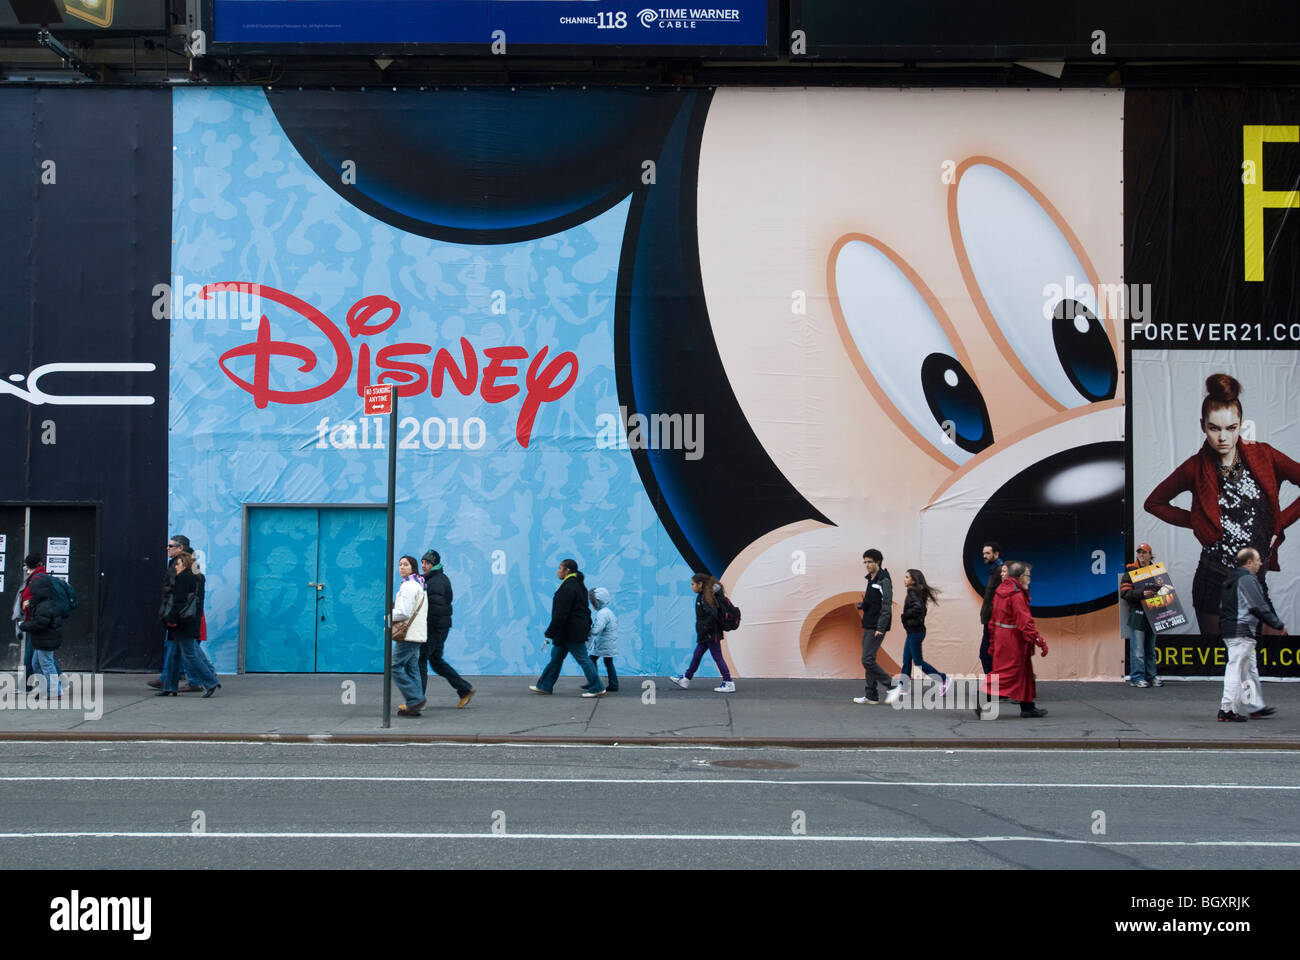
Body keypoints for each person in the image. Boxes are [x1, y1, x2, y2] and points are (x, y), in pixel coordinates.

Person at [1145, 373, 1300, 636]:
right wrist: (1196, 519)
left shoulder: (1265, 456)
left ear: (1241, 425)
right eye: (1214, 428)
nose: (1222, 437)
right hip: (1213, 578)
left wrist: (1280, 522)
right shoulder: (1195, 467)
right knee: (1219, 659)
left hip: (1253, 578)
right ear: (1202, 426)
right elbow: (1154, 503)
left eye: (1231, 428)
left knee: (1274, 644)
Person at [1216, 547, 1285, 722]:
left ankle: (1255, 706)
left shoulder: (1231, 579)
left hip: (1232, 630)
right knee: (1237, 669)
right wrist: (1277, 624)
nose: (1260, 563)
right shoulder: (1247, 579)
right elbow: (1258, 606)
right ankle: (1227, 709)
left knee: (1248, 671)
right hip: (1243, 631)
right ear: (1249, 562)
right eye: (1258, 560)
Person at [982, 561, 1049, 718]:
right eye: (1028, 576)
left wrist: (993, 641)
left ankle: (1027, 707)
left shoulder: (1002, 590)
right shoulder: (1016, 595)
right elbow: (1024, 622)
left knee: (1023, 671)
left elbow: (994, 619)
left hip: (1003, 636)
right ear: (1020, 577)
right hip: (1014, 639)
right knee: (1009, 671)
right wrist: (1040, 641)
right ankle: (984, 699)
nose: (1029, 579)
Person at [530, 559, 605, 697]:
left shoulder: (569, 587)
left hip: (571, 631)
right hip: (568, 631)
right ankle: (544, 686)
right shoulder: (577, 585)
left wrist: (550, 631)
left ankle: (597, 687)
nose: (558, 571)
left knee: (582, 658)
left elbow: (561, 613)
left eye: (560, 568)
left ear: (567, 570)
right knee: (556, 658)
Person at [156, 552, 221, 698]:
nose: (175, 567)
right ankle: (169, 686)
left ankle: (211, 682)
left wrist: (170, 619)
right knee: (174, 654)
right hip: (190, 621)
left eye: (177, 564)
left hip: (180, 622)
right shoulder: (199, 578)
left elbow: (178, 602)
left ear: (184, 565)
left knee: (189, 655)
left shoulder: (183, 578)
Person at [419, 549, 474, 709]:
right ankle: (464, 689)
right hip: (441, 627)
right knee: (436, 661)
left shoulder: (435, 581)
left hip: (434, 628)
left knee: (421, 660)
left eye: (427, 562)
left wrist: (428, 630)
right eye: (422, 562)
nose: (424, 565)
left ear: (434, 564)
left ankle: (417, 700)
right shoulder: (436, 579)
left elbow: (435, 608)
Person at [148, 535, 202, 691]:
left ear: (180, 548)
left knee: (189, 650)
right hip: (179, 613)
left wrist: (175, 613)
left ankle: (198, 680)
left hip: (183, 614)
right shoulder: (180, 562)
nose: (167, 548)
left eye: (171, 546)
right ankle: (168, 678)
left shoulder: (188, 564)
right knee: (174, 647)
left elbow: (192, 591)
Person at [669, 574, 736, 693]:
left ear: (700, 584)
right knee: (697, 655)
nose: (691, 587)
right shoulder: (703, 595)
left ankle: (729, 682)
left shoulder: (706, 597)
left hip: (710, 634)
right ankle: (686, 679)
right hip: (707, 633)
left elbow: (713, 614)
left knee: (717, 657)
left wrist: (705, 628)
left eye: (693, 584)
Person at [891, 568, 950, 701]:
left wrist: (905, 616)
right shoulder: (917, 592)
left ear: (913, 580)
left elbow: (918, 609)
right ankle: (903, 686)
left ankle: (943, 679)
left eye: (907, 577)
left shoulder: (913, 592)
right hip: (914, 631)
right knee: (906, 659)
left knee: (918, 662)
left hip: (915, 632)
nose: (904, 579)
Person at [853, 549, 900, 705]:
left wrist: (881, 627)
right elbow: (873, 601)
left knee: (867, 660)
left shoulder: (884, 580)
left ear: (878, 562)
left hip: (877, 626)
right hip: (869, 623)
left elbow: (886, 606)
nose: (867, 565)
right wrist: (862, 605)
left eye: (870, 562)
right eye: (865, 562)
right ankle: (871, 695)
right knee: (870, 659)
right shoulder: (871, 579)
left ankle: (892, 686)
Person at [1119, 543, 1163, 688]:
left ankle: (1152, 676)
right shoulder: (1130, 572)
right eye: (1139, 552)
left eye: (1145, 552)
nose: (1142, 555)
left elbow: (1166, 591)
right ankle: (1137, 677)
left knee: (1151, 649)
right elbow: (1124, 593)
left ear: (1151, 555)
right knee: (1138, 649)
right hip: (1137, 613)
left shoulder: (1157, 571)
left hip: (1153, 613)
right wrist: (1142, 594)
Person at [391, 555, 428, 717]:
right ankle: (415, 706)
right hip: (417, 633)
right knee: (412, 668)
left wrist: (387, 617)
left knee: (394, 666)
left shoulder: (408, 586)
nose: (402, 567)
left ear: (413, 567)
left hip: (408, 634)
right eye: (400, 565)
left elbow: (403, 612)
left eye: (406, 564)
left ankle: (415, 699)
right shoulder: (420, 585)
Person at [17, 573, 63, 699]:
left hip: (46, 640)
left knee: (46, 664)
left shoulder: (44, 607)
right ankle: (45, 689)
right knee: (36, 663)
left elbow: (39, 624)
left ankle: (54, 691)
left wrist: (23, 625)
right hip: (44, 639)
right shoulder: (46, 603)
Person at [19, 554, 46, 691]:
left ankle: (56, 684)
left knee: (40, 658)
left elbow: (42, 597)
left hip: (36, 623)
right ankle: (26, 685)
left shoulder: (38, 578)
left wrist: (29, 602)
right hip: (33, 622)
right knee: (39, 658)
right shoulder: (36, 577)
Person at [587, 586, 619, 693]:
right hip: (608, 643)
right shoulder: (608, 611)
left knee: (591, 660)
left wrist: (589, 631)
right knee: (608, 662)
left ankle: (594, 682)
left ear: (598, 601)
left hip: (603, 643)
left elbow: (597, 629)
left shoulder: (602, 613)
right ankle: (613, 684)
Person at [978, 541, 1004, 673]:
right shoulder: (994, 570)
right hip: (990, 620)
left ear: (996, 554)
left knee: (986, 654)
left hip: (993, 621)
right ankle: (995, 687)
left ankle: (993, 687)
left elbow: (1004, 598)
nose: (984, 556)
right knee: (989, 655)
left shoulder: (1000, 571)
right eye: (983, 553)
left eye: (987, 553)